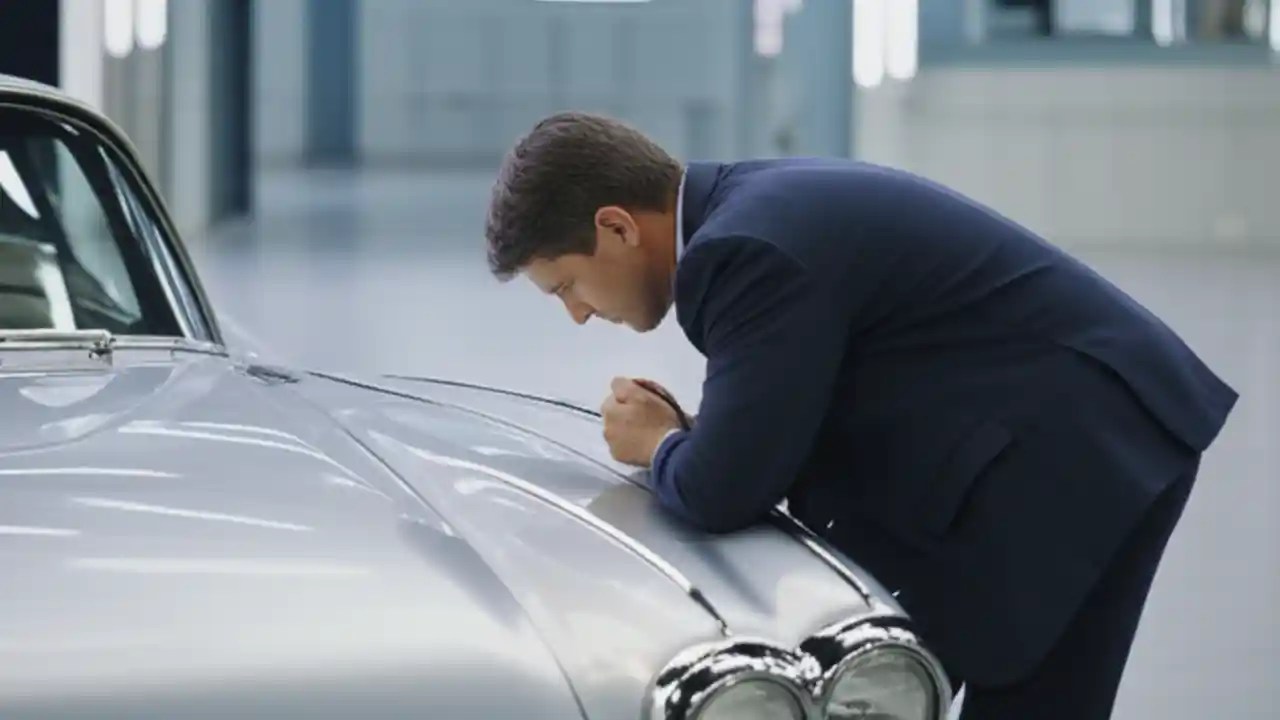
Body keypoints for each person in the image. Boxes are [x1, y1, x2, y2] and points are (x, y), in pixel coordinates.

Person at [482, 112, 1238, 719]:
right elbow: (776, 427)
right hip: (1111, 415)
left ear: (616, 227)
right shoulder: (748, 209)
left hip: (1079, 440)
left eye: (566, 287)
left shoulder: (738, 253)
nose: (579, 316)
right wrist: (693, 438)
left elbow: (725, 488)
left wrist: (663, 446)